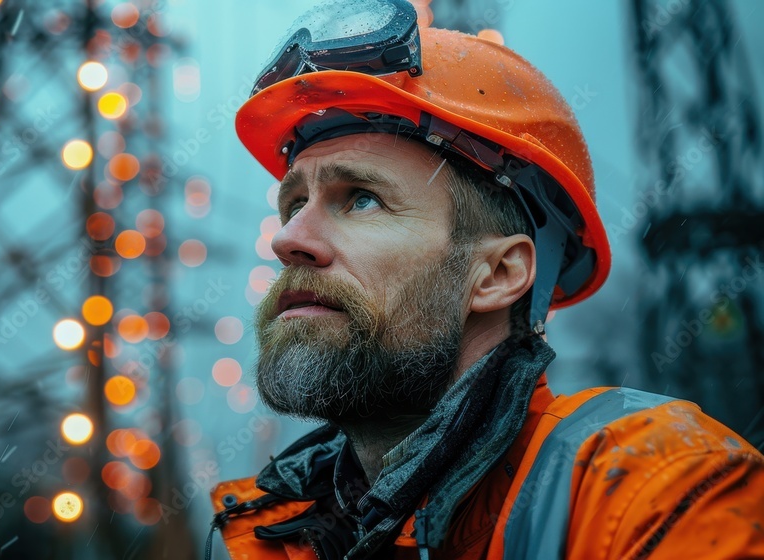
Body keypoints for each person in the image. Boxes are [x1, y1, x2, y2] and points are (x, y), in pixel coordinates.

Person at [206, 0, 764, 558]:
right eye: (295, 202)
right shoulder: (263, 535)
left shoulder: (654, 492)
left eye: (362, 199)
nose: (287, 240)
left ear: (498, 274)